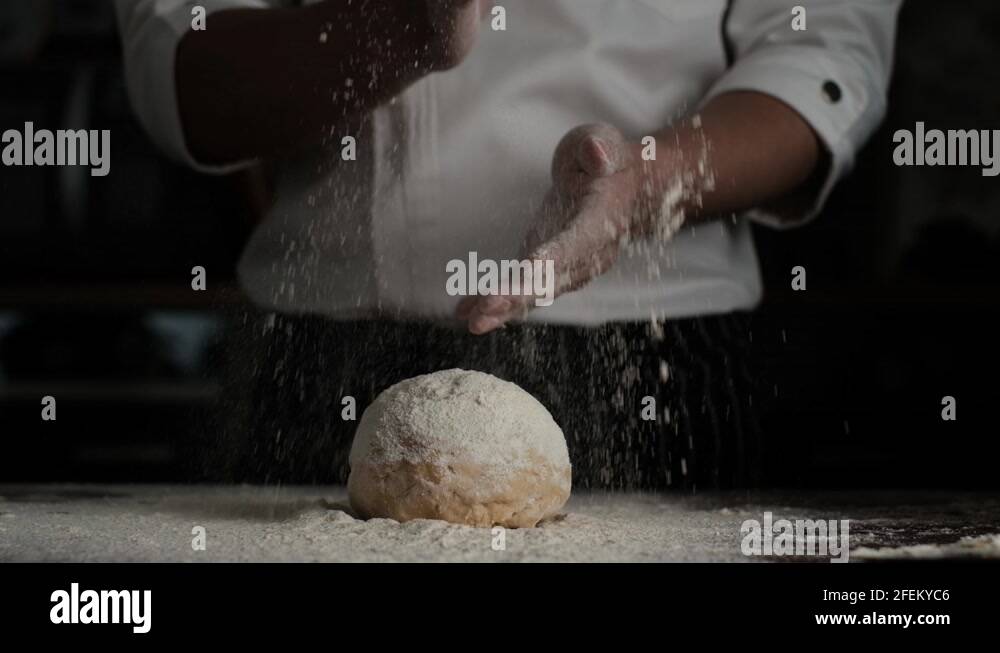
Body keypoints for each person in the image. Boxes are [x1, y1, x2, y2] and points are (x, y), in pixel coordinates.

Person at [115, 0, 901, 489]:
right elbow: (181, 64)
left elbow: (822, 50)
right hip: (318, 354)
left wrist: (640, 185)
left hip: (652, 357)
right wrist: (396, 29)